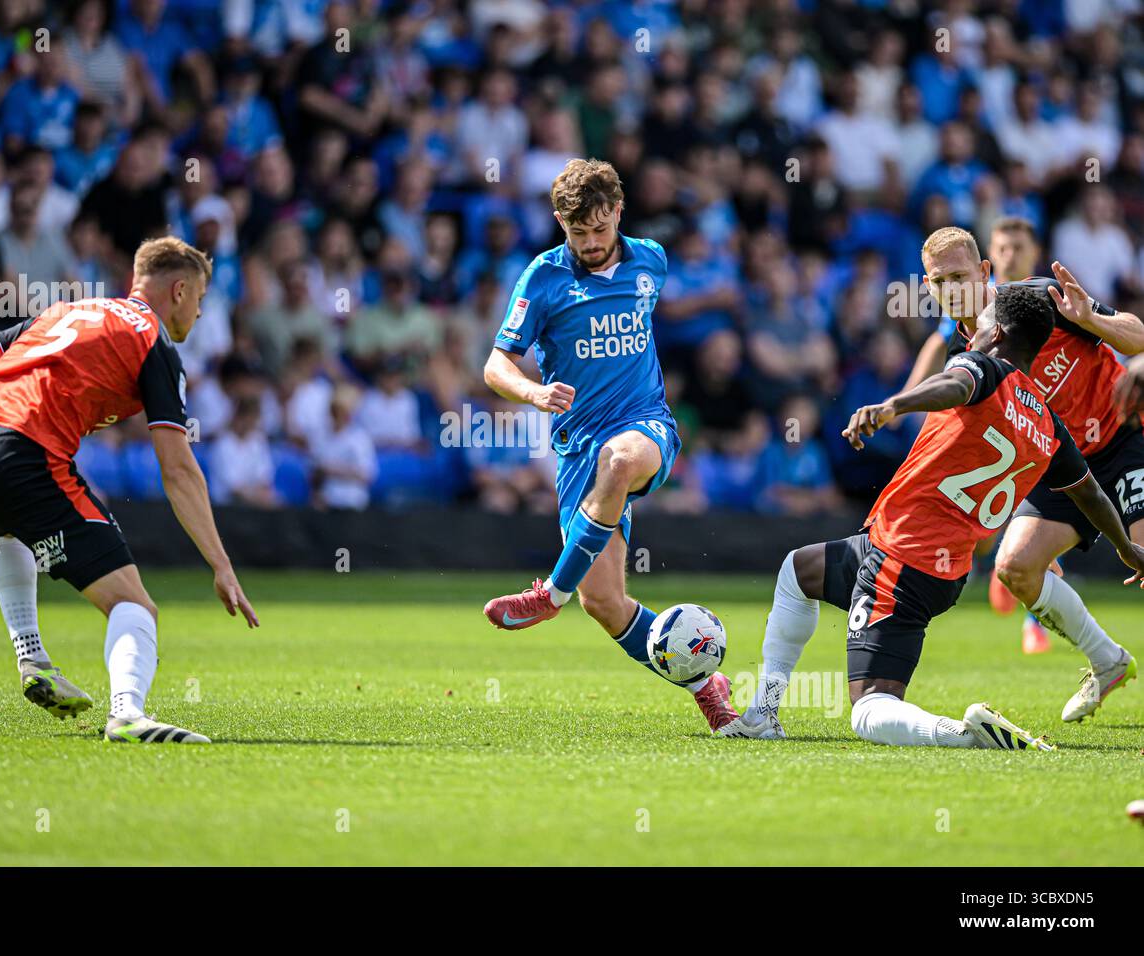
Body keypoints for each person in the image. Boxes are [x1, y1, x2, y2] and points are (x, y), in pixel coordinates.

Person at [723, 284, 1144, 748]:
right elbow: (1089, 492)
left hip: (905, 558)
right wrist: (1126, 549)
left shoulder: (983, 367)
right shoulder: (1047, 422)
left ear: (997, 332)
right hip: (927, 560)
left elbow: (955, 384)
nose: (971, 331)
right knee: (798, 570)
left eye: (980, 323)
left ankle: (966, 735)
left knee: (869, 712)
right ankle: (763, 711)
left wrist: (894, 404)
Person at [0, 236, 258, 744]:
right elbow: (178, 469)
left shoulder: (66, 310)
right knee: (135, 606)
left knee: (8, 527)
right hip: (20, 455)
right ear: (178, 291)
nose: (198, 311)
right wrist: (221, 563)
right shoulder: (154, 341)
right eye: (200, 299)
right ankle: (127, 714)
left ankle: (32, 658)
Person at [479, 158, 737, 733]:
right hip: (577, 448)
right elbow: (496, 364)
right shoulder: (542, 280)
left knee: (618, 459)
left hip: (645, 426)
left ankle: (550, 593)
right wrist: (533, 390)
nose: (592, 243)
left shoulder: (652, 258)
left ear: (618, 212)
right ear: (559, 223)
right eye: (578, 233)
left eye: (600, 229)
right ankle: (705, 685)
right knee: (604, 603)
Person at [903, 226, 1143, 718]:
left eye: (959, 277)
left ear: (985, 272)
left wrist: (1093, 322)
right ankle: (1107, 661)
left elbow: (1139, 336)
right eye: (939, 281)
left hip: (1127, 439)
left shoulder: (1041, 299)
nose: (951, 290)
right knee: (1015, 567)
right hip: (1065, 468)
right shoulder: (963, 358)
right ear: (927, 289)